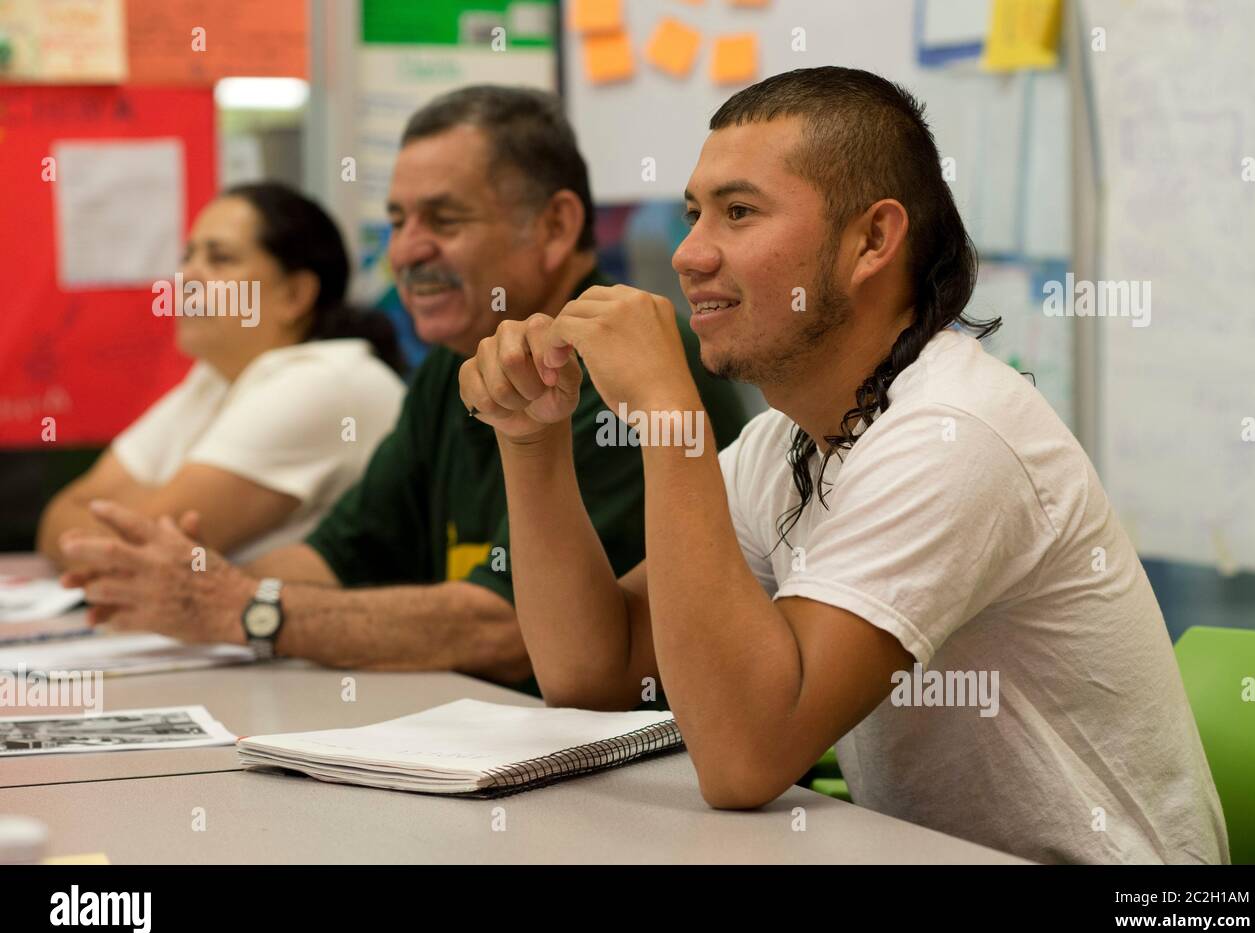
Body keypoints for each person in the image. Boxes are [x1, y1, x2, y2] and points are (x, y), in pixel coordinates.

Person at [458, 67, 1229, 863]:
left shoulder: (954, 437)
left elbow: (743, 757)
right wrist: (530, 440)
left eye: (738, 212)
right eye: (694, 214)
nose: (688, 254)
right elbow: (599, 672)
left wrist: (671, 415)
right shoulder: (785, 442)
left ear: (871, 241)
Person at [60, 86, 750, 687]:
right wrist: (188, 586)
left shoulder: (624, 363)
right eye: (396, 221)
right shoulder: (451, 370)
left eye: (443, 221)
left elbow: (510, 628)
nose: (406, 251)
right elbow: (336, 558)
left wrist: (243, 608)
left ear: (556, 225)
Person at [39, 182, 406, 567]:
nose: (187, 277)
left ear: (295, 295)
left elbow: (140, 551)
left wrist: (142, 501)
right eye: (188, 256)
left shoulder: (322, 379)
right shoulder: (214, 379)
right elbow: (57, 520)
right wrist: (151, 504)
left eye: (220, 259)